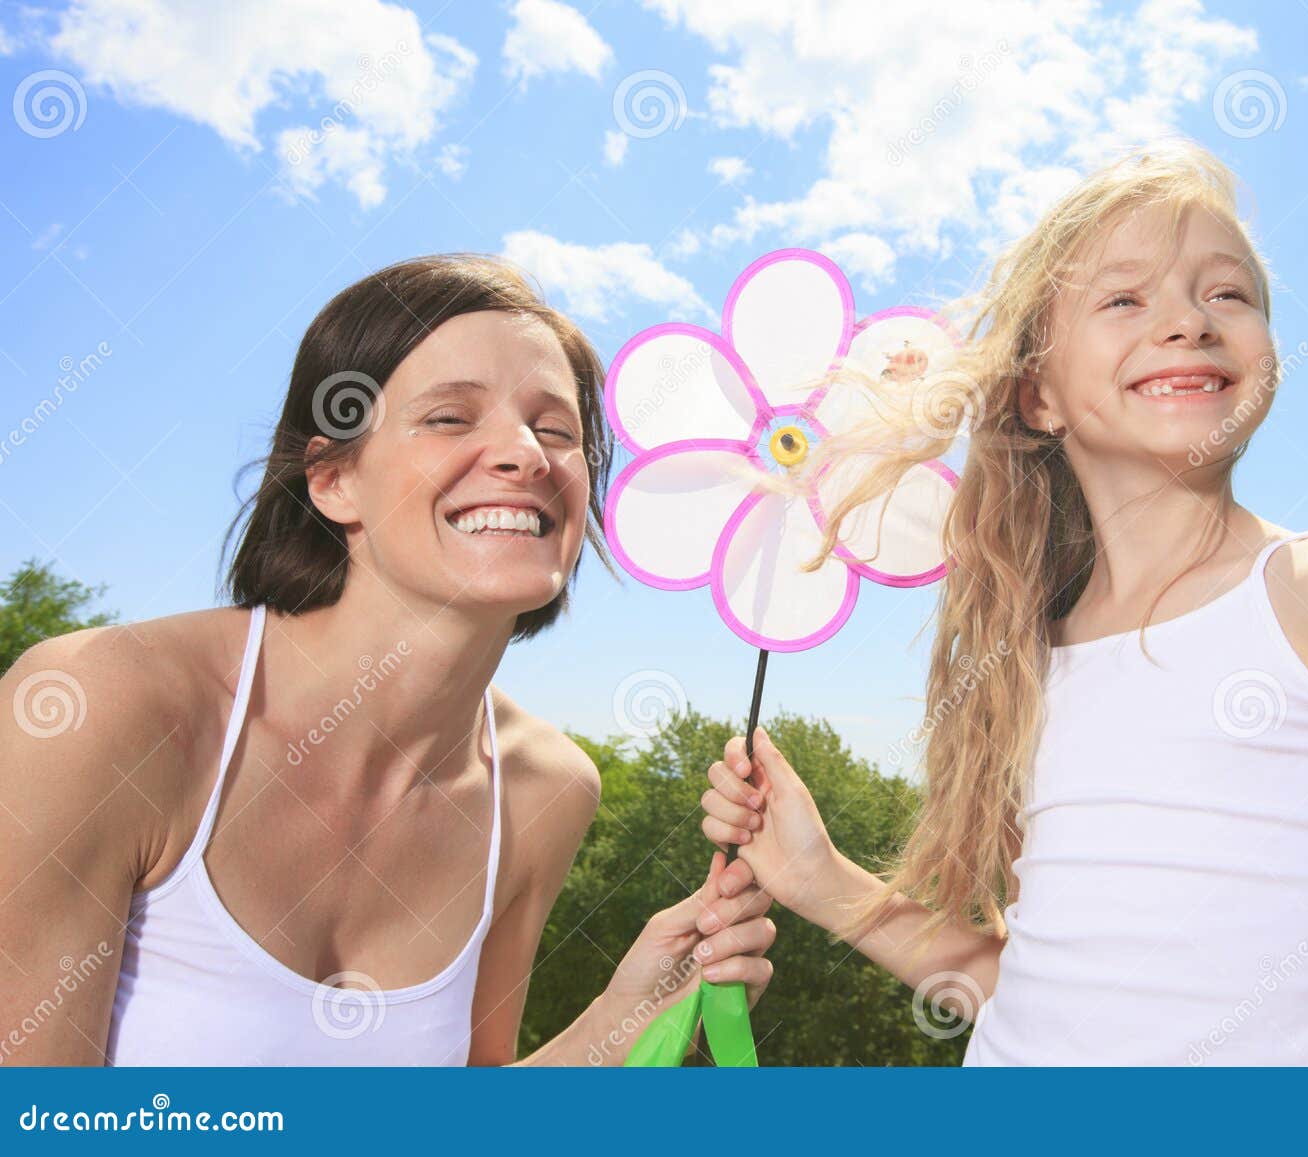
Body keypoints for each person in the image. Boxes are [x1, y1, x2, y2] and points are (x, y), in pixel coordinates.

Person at [696, 141, 1308, 1065]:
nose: (1188, 321)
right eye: (1125, 297)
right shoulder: (1031, 658)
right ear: (1038, 394)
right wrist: (822, 880)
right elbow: (1043, 998)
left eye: (1227, 293)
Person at [0, 254, 774, 1065]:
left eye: (556, 429)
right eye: (450, 417)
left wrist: (629, 1013)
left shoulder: (549, 789)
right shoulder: (101, 707)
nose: (525, 455)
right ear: (334, 479)